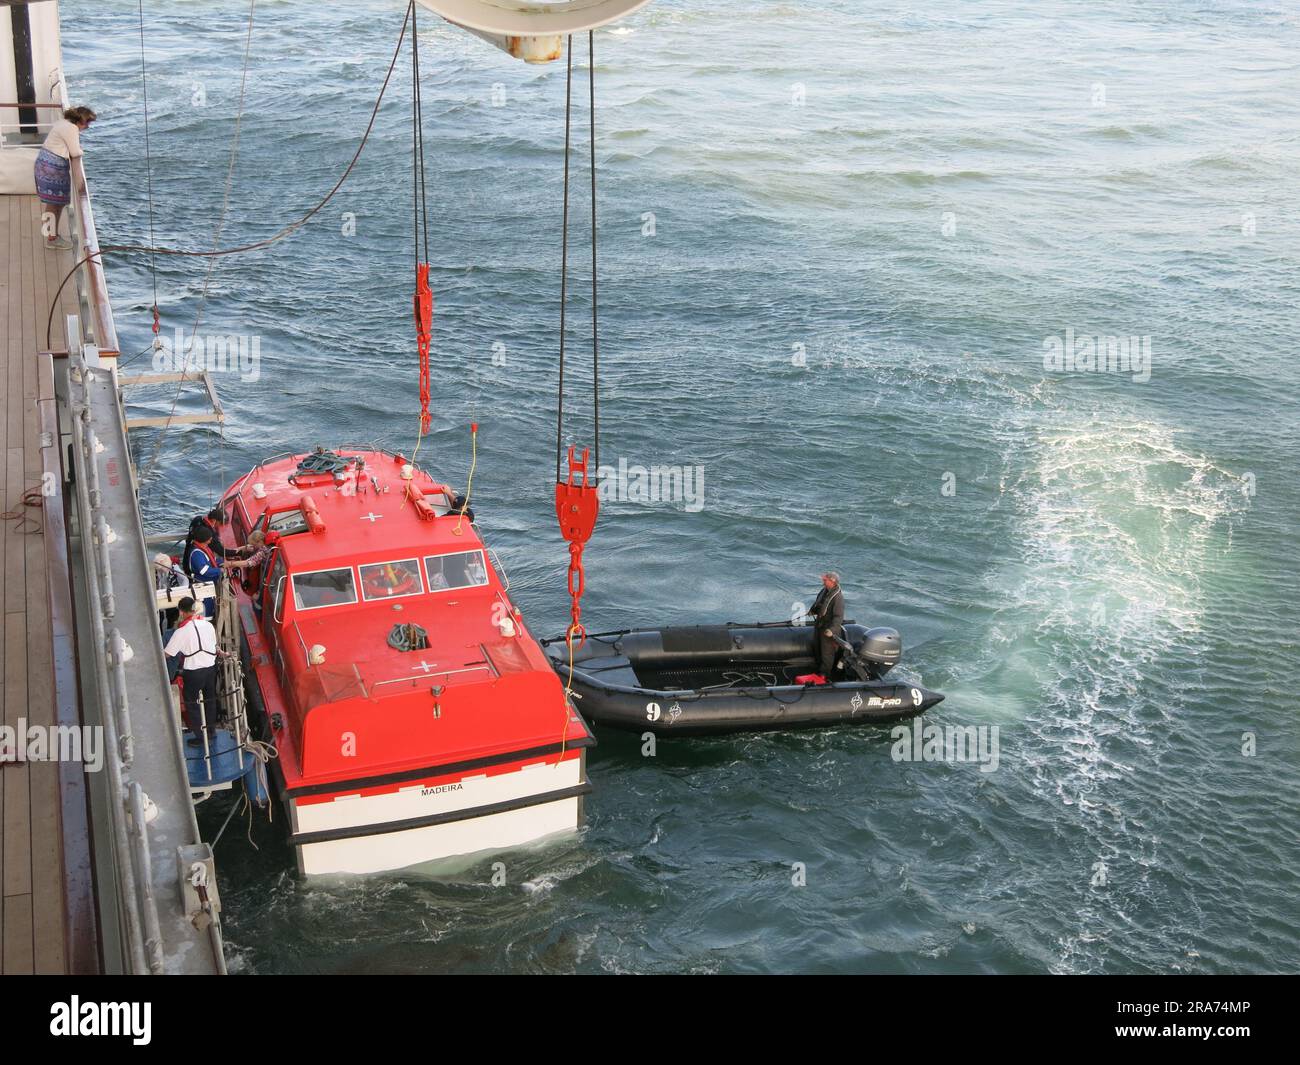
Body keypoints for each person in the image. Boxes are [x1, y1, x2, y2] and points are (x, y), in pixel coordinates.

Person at [34, 105, 96, 251]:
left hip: (45, 164)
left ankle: (51, 235)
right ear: (80, 120)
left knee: (53, 203)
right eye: (87, 122)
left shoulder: (64, 123)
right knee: (55, 204)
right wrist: (81, 151)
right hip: (53, 168)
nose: (88, 126)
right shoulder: (72, 128)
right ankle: (52, 239)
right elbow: (75, 152)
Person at [163, 597, 222, 741]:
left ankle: (201, 737)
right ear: (195, 609)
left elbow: (168, 654)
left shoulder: (180, 632)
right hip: (210, 669)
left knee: (191, 703)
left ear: (181, 612)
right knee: (210, 701)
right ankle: (211, 732)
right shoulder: (208, 625)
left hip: (193, 672)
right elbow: (214, 645)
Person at [808, 571, 845, 679]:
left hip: (828, 629)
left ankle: (825, 674)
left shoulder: (838, 597)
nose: (823, 581)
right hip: (820, 625)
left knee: (827, 653)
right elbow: (819, 604)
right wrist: (812, 611)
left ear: (832, 581)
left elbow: (838, 616)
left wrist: (832, 630)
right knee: (817, 647)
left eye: (825, 580)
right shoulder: (824, 591)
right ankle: (818, 669)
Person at [186, 525, 224, 616]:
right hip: (202, 586)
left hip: (209, 584)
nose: (211, 540)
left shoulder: (204, 548)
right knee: (206, 608)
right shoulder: (197, 554)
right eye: (209, 539)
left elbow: (213, 561)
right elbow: (204, 571)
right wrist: (220, 570)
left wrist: (224, 561)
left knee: (210, 604)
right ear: (204, 539)